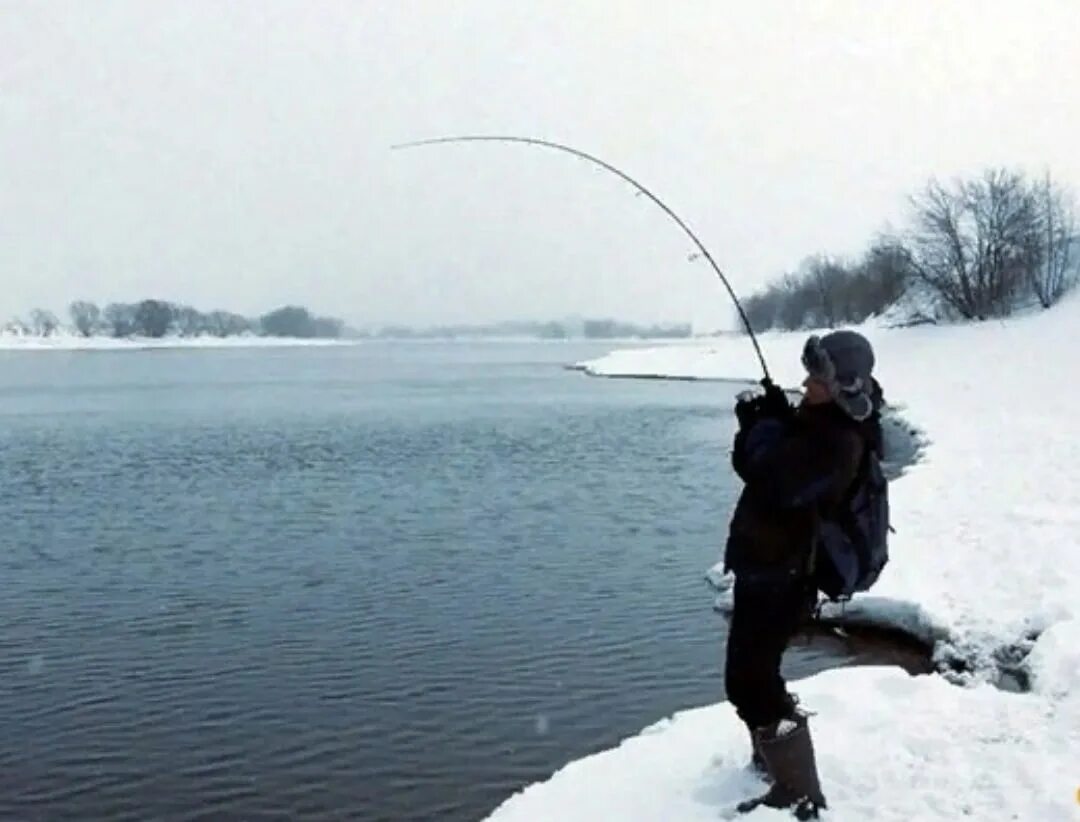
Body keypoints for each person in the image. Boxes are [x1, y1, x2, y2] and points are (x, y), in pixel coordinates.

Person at [723, 329, 883, 819]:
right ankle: (775, 761)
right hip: (768, 566)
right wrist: (773, 416)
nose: (806, 384)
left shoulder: (838, 439)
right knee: (755, 675)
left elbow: (775, 481)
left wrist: (760, 427)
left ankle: (797, 791)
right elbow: (760, 464)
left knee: (748, 681)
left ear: (843, 385)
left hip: (785, 573)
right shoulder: (820, 421)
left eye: (817, 377)